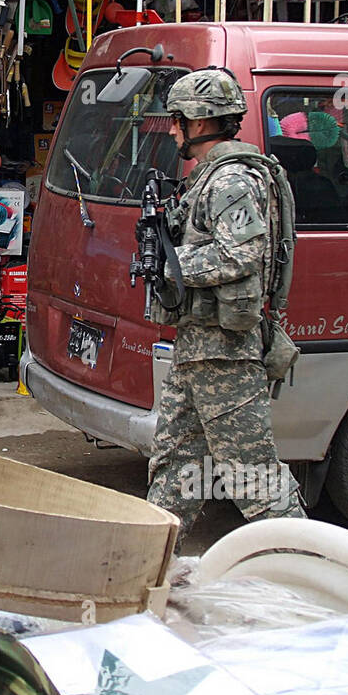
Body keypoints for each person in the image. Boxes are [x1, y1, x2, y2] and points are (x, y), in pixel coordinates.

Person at [144, 68, 306, 539]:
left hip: (225, 354)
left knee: (251, 474)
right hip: (199, 350)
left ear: (200, 122)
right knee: (175, 463)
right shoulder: (208, 178)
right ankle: (151, 556)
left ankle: (304, 565)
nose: (172, 129)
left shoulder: (230, 180)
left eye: (177, 120)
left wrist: (173, 267)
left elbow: (242, 252)